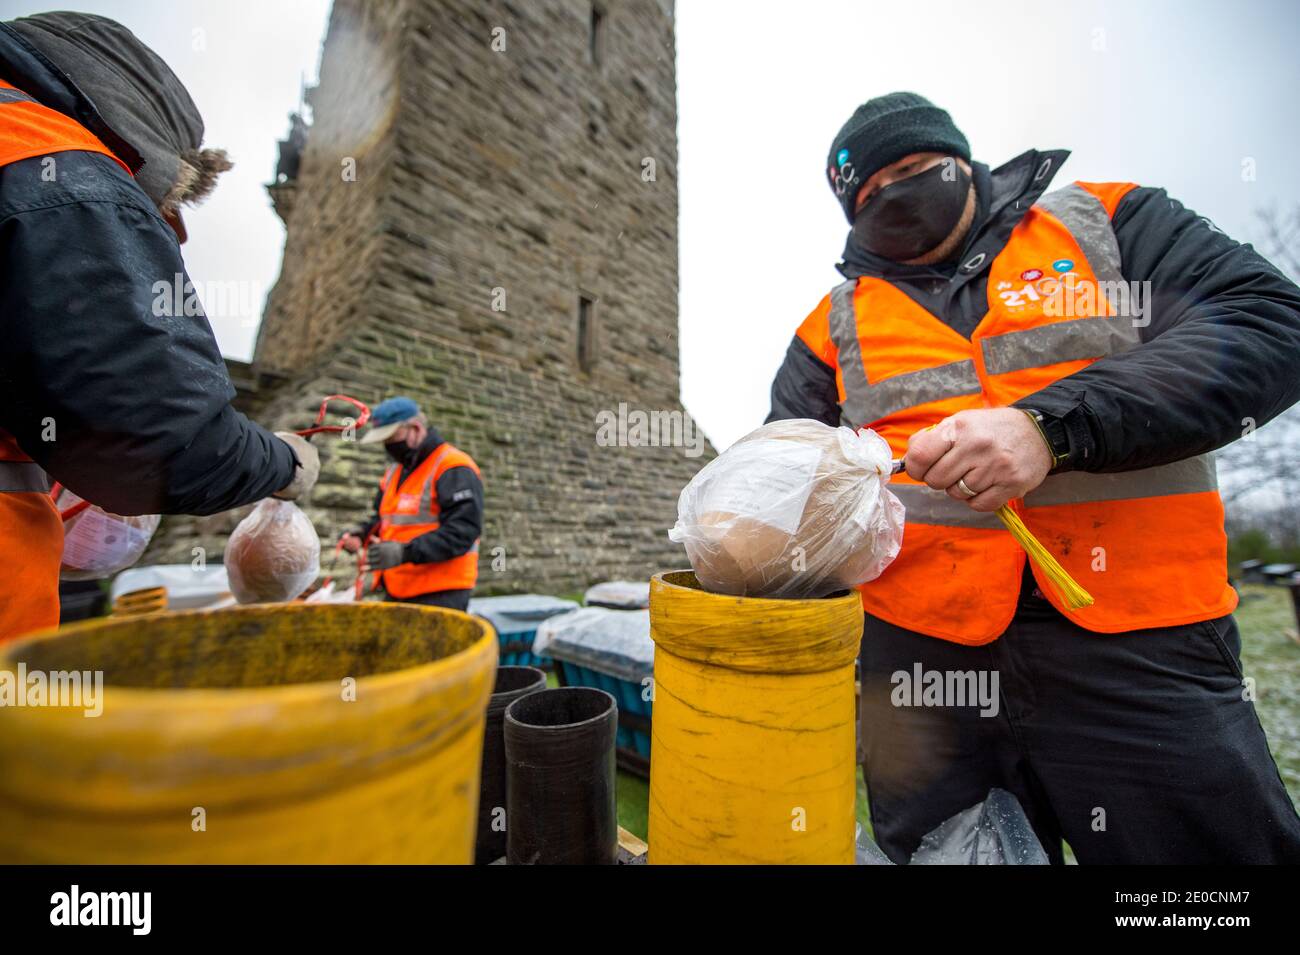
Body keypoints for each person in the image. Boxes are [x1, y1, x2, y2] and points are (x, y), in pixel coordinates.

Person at [766, 91, 1300, 864]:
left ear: (962, 160)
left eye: (912, 170)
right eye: (868, 195)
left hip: (1140, 645)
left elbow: (1269, 322)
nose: (893, 197)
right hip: (920, 665)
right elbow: (792, 484)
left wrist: (1050, 427)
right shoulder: (830, 326)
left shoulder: (1110, 224)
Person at [0, 12, 318, 640]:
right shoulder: (58, 165)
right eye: (174, 194)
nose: (178, 227)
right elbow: (160, 435)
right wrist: (287, 463)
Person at [341, 397, 483, 612]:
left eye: (391, 438)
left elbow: (463, 531)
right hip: (398, 588)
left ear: (415, 428)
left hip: (440, 592)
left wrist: (405, 552)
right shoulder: (393, 473)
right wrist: (361, 534)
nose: (387, 445)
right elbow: (383, 517)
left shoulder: (453, 467)